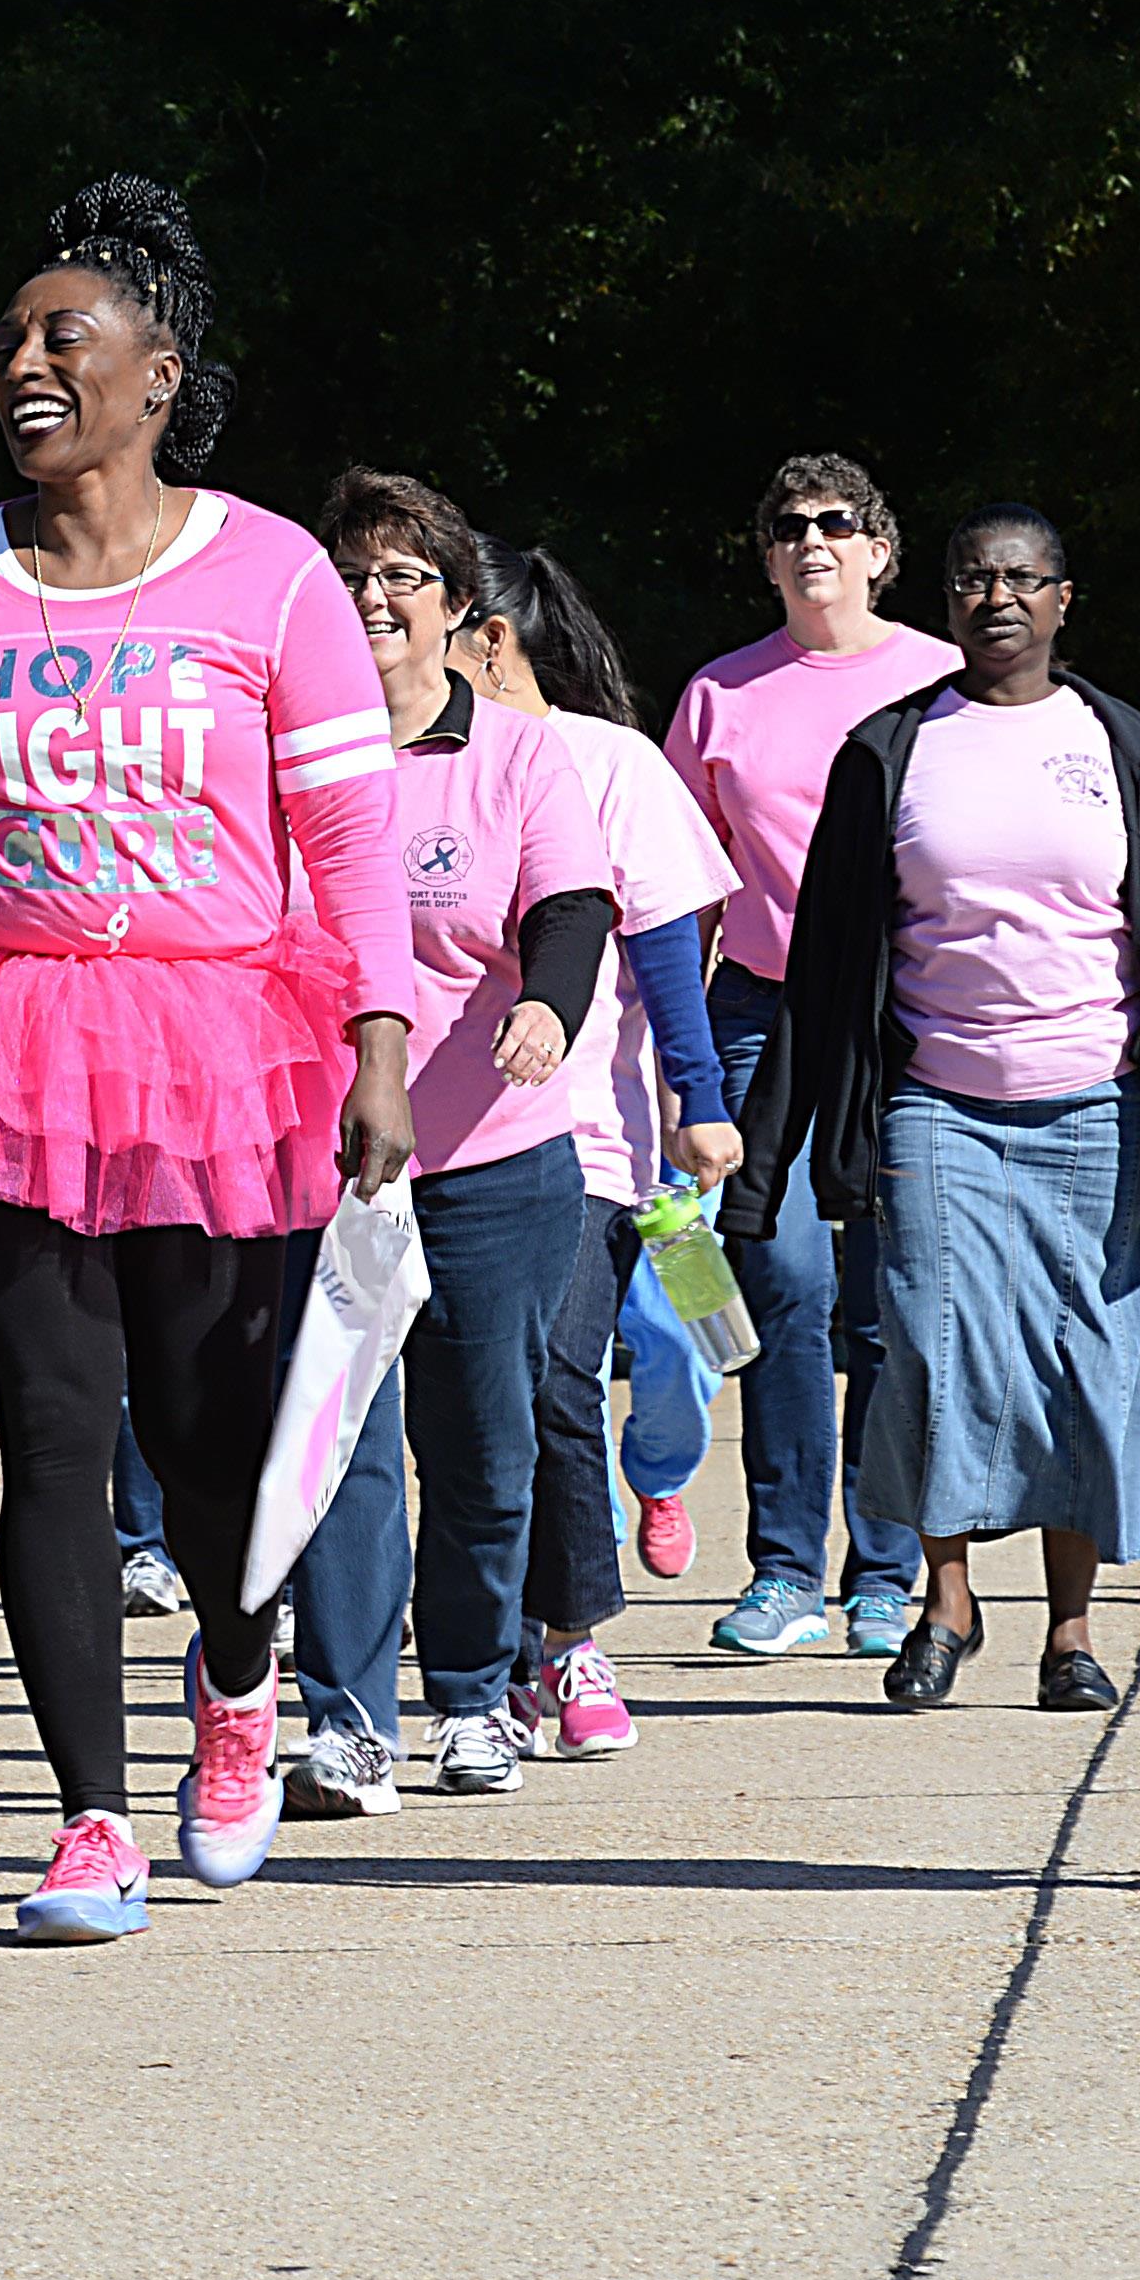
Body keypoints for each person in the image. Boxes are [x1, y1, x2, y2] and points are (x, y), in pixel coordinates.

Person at [0, 173, 412, 1942]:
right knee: (57, 1433)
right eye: (7, 341)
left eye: (68, 334)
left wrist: (377, 1042)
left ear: (160, 373)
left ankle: (235, 1673)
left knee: (207, 1432)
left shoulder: (274, 572)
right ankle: (86, 1822)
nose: (26, 363)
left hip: (221, 1037)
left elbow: (350, 842)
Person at [730, 505, 1140, 1714]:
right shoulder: (889, 750)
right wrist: (766, 1155)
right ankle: (944, 1600)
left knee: (1085, 1371)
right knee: (931, 1358)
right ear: (944, 600)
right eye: (974, 578)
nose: (997, 597)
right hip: (937, 1104)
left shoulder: (1127, 749)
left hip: (1101, 1107)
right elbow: (823, 965)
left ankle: (1071, 1631)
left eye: (1022, 578)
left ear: (1061, 598)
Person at [281, 476, 612, 1812]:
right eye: (352, 576)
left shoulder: (521, 756)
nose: (373, 600)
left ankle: (476, 1695)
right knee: (342, 1443)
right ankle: (350, 1720)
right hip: (334, 1156)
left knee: (481, 1447)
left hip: (495, 1156)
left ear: (459, 607)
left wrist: (545, 1002)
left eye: (402, 577)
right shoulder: (288, 751)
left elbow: (578, 909)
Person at [668, 456, 959, 1661]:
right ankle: (785, 1565)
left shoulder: (941, 679)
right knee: (776, 1276)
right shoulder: (719, 695)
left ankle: (882, 1567)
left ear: (881, 550)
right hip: (756, 1007)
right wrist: (667, 1056)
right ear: (766, 554)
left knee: (891, 1296)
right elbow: (673, 885)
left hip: (900, 1012)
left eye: (837, 523)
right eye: (788, 527)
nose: (812, 542)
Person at [454, 537, 737, 1753]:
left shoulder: (608, 760)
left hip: (583, 1139)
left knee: (557, 1378)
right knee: (472, 1403)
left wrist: (699, 1093)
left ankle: (571, 1642)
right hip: (438, 1141)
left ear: (493, 639)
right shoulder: (414, 760)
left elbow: (669, 947)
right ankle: (496, 1653)